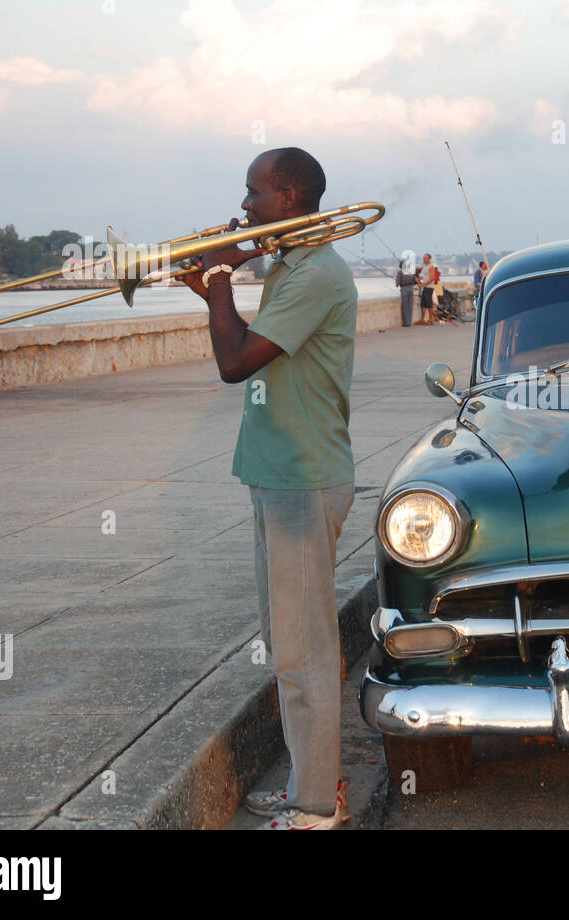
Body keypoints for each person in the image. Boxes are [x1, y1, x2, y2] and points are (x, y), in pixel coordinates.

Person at [181, 146, 355, 830]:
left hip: (303, 479)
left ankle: (315, 807)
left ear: (287, 197)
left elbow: (236, 364)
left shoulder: (315, 271)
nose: (244, 206)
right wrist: (214, 288)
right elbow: (256, 345)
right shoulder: (290, 265)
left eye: (254, 193)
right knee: (288, 643)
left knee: (303, 652)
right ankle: (310, 786)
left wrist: (223, 276)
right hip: (276, 470)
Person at [395, 257, 417, 327]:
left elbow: (397, 283)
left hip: (404, 289)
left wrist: (398, 283)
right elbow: (414, 281)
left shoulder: (400, 272)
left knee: (405, 306)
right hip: (411, 289)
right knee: (410, 306)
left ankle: (406, 323)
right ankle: (409, 322)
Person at [417, 252, 436, 325]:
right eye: (423, 258)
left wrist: (423, 284)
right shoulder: (425, 267)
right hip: (425, 287)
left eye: (425, 258)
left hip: (429, 287)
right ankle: (422, 319)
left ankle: (430, 320)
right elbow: (424, 277)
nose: (423, 259)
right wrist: (418, 279)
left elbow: (432, 278)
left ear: (429, 259)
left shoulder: (431, 267)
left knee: (429, 304)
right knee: (423, 304)